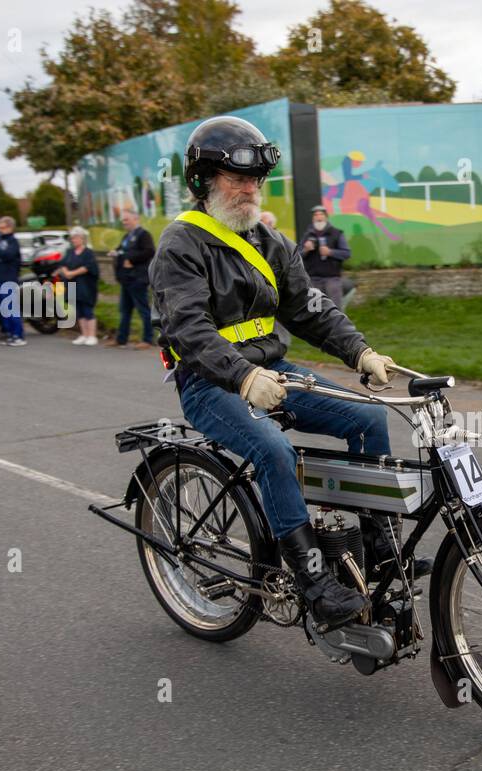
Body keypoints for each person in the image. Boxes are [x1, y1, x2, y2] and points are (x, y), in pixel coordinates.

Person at [151, 115, 427, 634]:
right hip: (210, 382)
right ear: (205, 182)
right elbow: (188, 329)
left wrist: (360, 352)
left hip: (271, 370)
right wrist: (241, 377)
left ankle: (374, 548)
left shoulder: (267, 242)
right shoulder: (181, 245)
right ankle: (315, 584)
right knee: (274, 451)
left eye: (256, 180)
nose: (251, 189)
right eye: (238, 179)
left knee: (367, 417)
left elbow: (311, 309)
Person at [107, 209, 155, 349]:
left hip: (138, 278)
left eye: (126, 219)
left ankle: (147, 339)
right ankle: (121, 339)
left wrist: (132, 260)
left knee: (143, 310)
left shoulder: (144, 235)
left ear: (136, 219)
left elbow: (149, 251)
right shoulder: (126, 237)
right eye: (123, 220)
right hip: (126, 279)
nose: (124, 222)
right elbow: (122, 250)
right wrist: (115, 252)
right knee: (125, 310)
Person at [300, 204, 351, 308]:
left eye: (321, 214)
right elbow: (297, 256)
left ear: (326, 217)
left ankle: (335, 325)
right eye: (316, 215)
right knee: (314, 311)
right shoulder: (307, 235)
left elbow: (346, 253)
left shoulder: (337, 233)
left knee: (335, 311)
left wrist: (330, 252)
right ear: (313, 218)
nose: (318, 217)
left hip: (332, 280)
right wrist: (306, 250)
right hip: (313, 280)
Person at [58, 226, 100, 345]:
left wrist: (72, 273)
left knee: (87, 310)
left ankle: (92, 335)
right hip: (72, 285)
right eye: (72, 238)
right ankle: (84, 334)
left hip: (85, 286)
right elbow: (63, 263)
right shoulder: (69, 252)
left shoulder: (88, 253)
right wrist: (66, 272)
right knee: (78, 310)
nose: (73, 240)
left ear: (82, 238)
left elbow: (88, 267)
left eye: (76, 238)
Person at [0, 216, 25, 346]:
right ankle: (9, 333)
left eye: (2, 227)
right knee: (3, 309)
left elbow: (7, 256)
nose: (0, 229)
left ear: (9, 227)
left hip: (9, 278)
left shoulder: (13, 242)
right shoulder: (0, 241)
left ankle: (18, 335)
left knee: (11, 308)